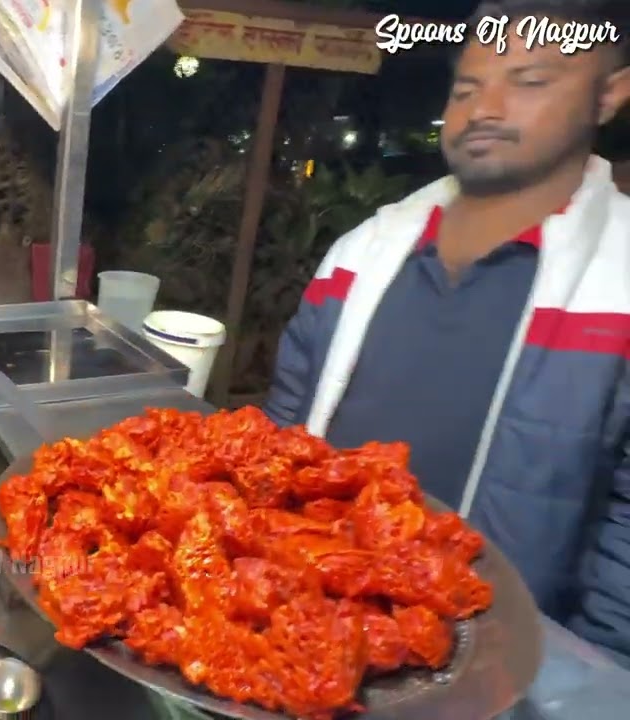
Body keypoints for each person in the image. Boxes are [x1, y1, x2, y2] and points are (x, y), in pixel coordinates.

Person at [264, 0, 630, 663]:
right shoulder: (360, 254)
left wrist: (585, 684)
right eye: (467, 87)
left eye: (530, 81)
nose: (485, 108)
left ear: (611, 94)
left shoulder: (620, 283)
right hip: (305, 633)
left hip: (502, 669)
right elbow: (282, 431)